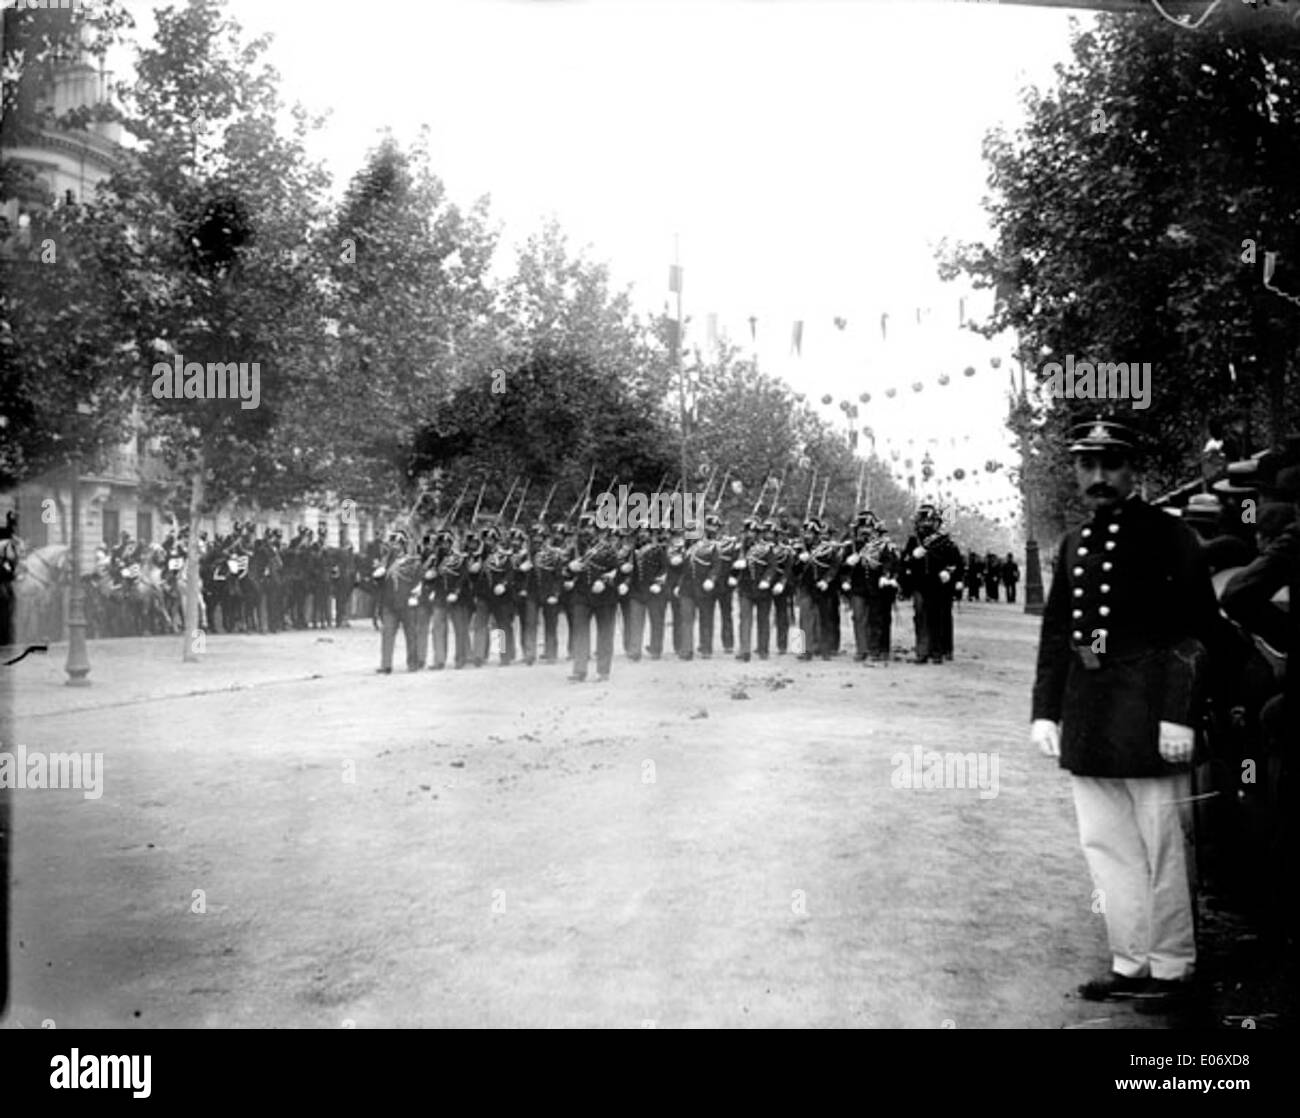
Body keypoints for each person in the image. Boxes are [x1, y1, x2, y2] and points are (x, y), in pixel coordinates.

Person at [1030, 418, 1222, 1013]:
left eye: (1110, 464)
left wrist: (1179, 714)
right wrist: (1046, 710)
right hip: (1091, 718)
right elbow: (1061, 633)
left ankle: (1172, 966)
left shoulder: (1171, 538)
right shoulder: (1072, 544)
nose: (1097, 477)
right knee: (1106, 845)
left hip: (1152, 719)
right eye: (1087, 465)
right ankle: (1130, 960)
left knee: (1164, 846)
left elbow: (1197, 634)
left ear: (1131, 468)